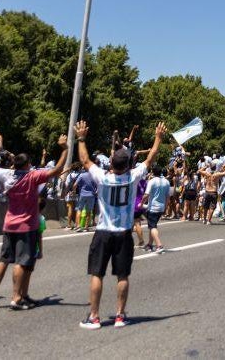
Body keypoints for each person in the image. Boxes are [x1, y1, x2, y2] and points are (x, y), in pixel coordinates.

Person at [76, 120, 165, 330]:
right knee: (122, 275)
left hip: (103, 231)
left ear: (111, 163)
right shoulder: (133, 177)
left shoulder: (102, 177)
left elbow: (85, 160)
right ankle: (119, 315)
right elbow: (150, 159)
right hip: (124, 233)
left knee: (97, 274)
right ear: (128, 165)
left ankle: (95, 317)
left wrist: (81, 138)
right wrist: (158, 138)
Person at [0, 134, 68, 310]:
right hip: (27, 225)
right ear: (28, 164)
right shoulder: (32, 177)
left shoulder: (7, 175)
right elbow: (57, 170)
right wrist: (65, 149)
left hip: (9, 224)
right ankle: (16, 298)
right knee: (21, 262)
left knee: (3, 260)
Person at [144, 164, 170, 253]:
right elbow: (167, 197)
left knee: (152, 226)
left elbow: (146, 194)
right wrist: (166, 207)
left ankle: (159, 245)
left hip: (153, 207)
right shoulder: (166, 182)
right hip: (161, 207)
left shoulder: (152, 181)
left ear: (153, 172)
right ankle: (150, 244)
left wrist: (141, 203)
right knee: (153, 225)